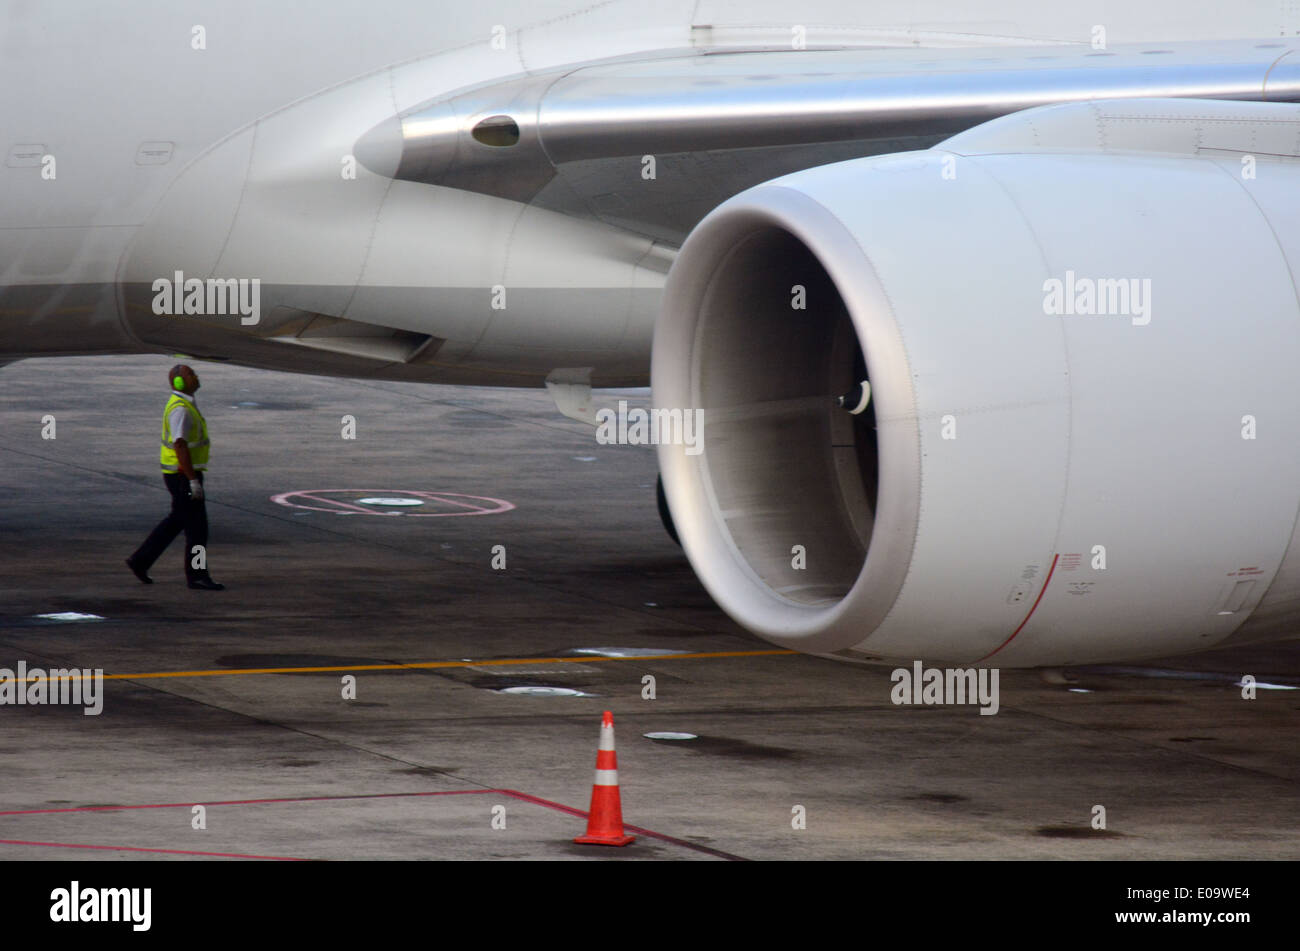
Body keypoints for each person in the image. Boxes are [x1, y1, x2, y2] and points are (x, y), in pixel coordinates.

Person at [126, 364, 225, 590]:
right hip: (183, 476)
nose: (196, 376)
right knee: (198, 530)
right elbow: (179, 445)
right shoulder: (180, 409)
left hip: (180, 475)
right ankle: (197, 576)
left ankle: (140, 560)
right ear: (179, 382)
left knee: (177, 521)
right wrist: (192, 481)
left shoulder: (185, 403)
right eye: (191, 374)